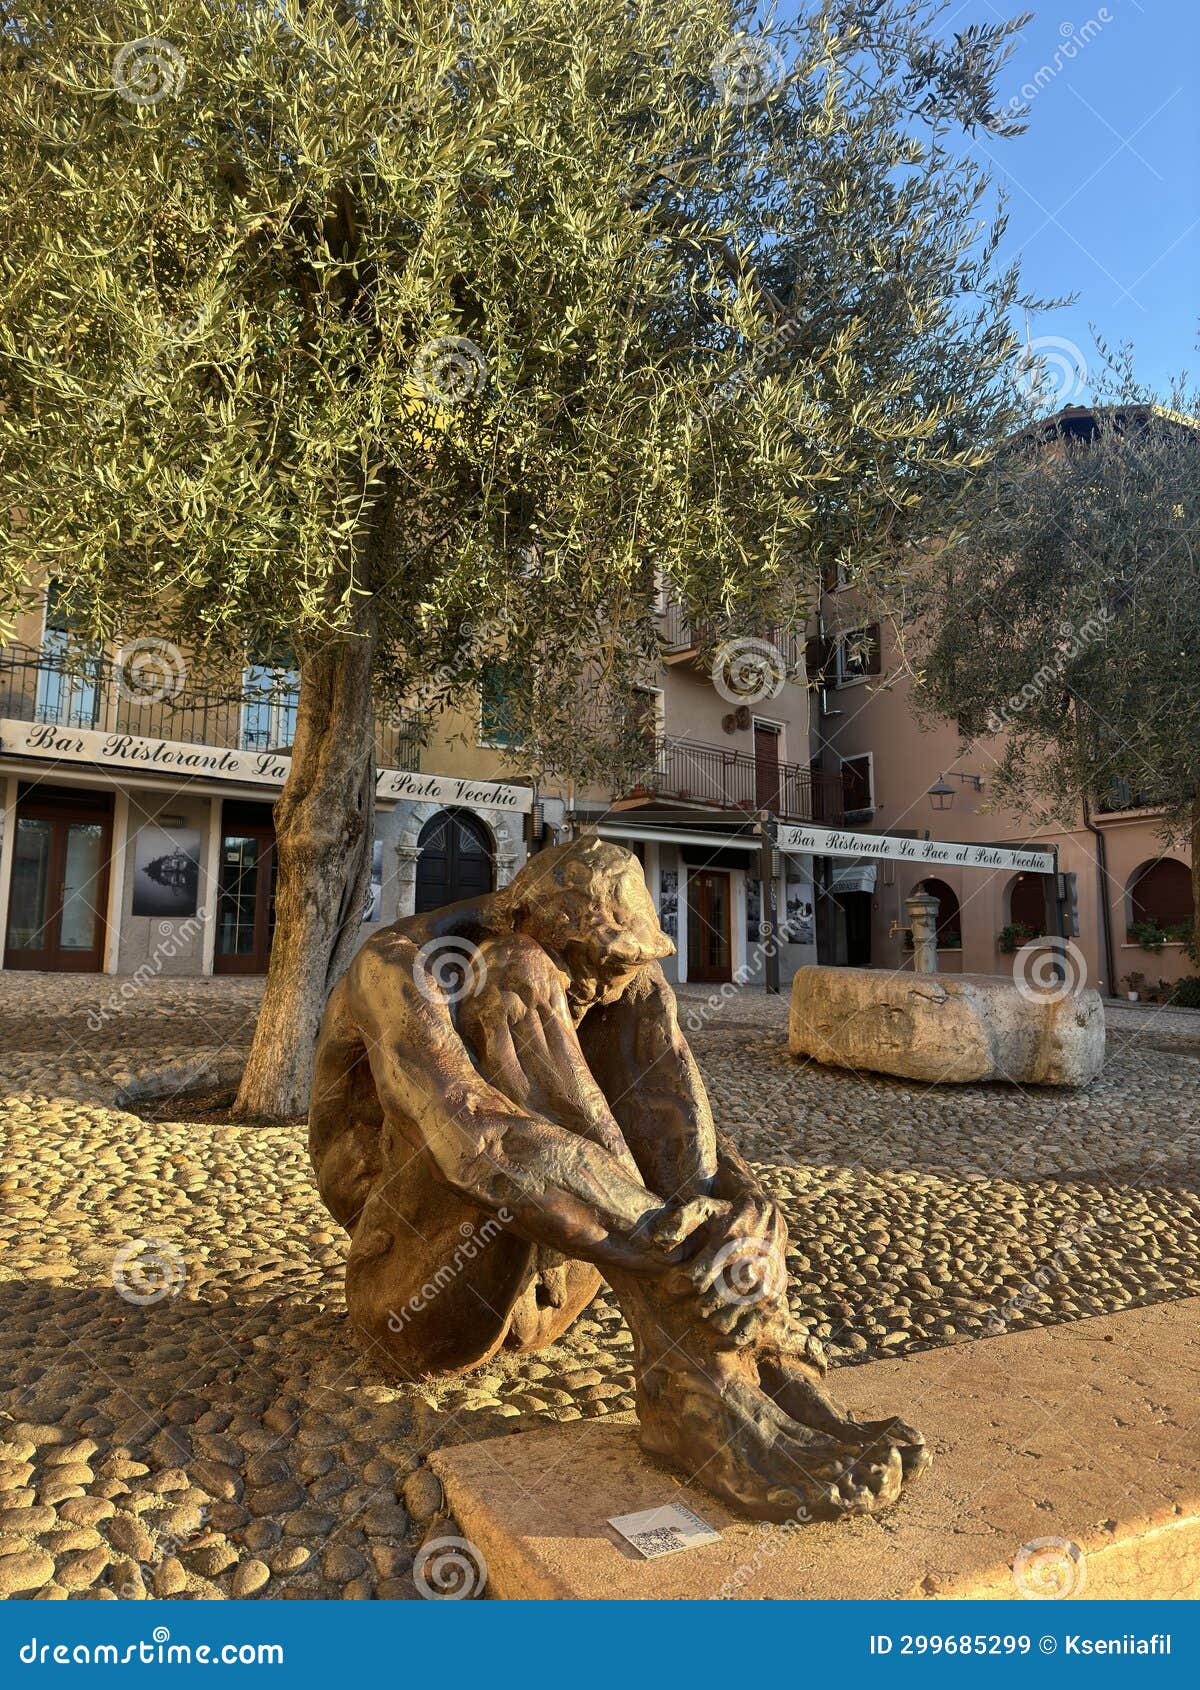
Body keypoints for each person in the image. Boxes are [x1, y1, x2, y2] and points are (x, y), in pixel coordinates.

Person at [309, 837, 927, 1520]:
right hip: (419, 1295)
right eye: (594, 960)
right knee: (518, 981)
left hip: (561, 1281)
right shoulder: (400, 967)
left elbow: (676, 1119)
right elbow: (477, 1141)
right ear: (532, 917)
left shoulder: (611, 977)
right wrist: (673, 1241)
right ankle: (695, 1387)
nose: (603, 984)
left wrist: (743, 1210)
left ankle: (754, 1359)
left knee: (635, 998)